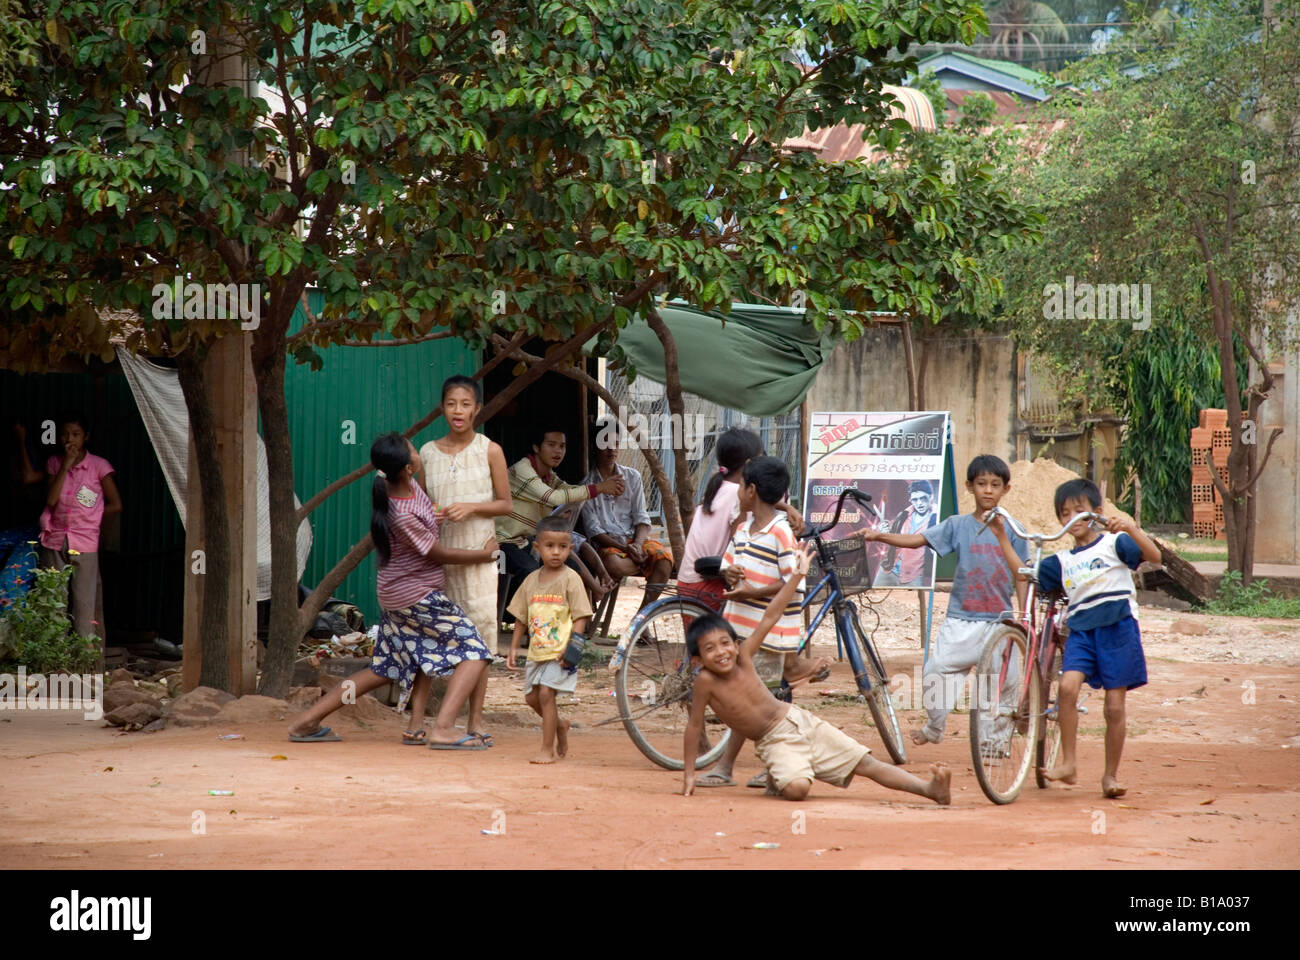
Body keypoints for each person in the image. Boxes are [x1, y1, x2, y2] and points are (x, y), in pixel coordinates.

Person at [683, 542, 950, 805]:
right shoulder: (705, 682)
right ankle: (790, 773)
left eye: (725, 643)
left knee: (866, 763)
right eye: (710, 649)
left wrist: (798, 574)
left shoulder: (744, 658)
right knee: (797, 790)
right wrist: (689, 775)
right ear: (697, 660)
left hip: (798, 720)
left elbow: (771, 615)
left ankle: (929, 789)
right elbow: (694, 726)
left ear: (736, 644)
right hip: (773, 739)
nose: (721, 652)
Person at [288, 433, 496, 748]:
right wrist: (486, 555)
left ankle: (307, 720)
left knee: (383, 670)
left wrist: (440, 514)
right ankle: (443, 728)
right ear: (409, 468)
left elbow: (424, 524)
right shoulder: (402, 510)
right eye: (412, 448)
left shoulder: (402, 488)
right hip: (414, 596)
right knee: (475, 651)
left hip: (397, 594)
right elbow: (436, 554)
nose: (417, 448)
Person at [992, 478, 1160, 798]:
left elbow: (1154, 557)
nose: (1072, 519)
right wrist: (1002, 536)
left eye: (1079, 511)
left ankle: (1110, 776)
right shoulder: (1062, 562)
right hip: (1081, 631)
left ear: (1097, 512)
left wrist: (1130, 528)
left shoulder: (1115, 544)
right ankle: (1069, 764)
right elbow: (1024, 573)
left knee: (1114, 706)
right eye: (1064, 514)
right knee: (1067, 688)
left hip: (1118, 628)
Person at [862, 455, 1028, 747]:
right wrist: (879, 537)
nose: (988, 490)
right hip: (960, 619)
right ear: (969, 486)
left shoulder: (1015, 529)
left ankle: (995, 745)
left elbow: (1022, 575)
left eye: (995, 485)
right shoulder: (957, 525)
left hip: (1001, 622)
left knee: (1003, 686)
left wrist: (1023, 616)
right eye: (981, 484)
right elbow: (919, 540)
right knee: (935, 672)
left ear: (1006, 489)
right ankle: (934, 727)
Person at [695, 456, 830, 789]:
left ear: (751, 490)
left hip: (769, 634)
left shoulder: (781, 534)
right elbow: (729, 564)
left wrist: (751, 592)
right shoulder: (744, 529)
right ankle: (761, 768)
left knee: (758, 703)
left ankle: (742, 767)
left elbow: (793, 582)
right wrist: (729, 573)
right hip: (742, 628)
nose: (738, 490)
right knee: (758, 700)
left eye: (741, 485)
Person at [419, 375, 513, 746]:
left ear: (476, 408)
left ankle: (475, 721)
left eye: (465, 404)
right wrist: (434, 514)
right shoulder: (426, 452)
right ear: (442, 408)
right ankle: (425, 720)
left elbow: (505, 504)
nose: (458, 411)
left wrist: (472, 507)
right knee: (439, 637)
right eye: (451, 404)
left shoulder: (490, 450)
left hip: (479, 556)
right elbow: (420, 504)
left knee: (481, 641)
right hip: (441, 559)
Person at [495, 425, 623, 604]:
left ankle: (562, 621)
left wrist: (597, 489)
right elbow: (552, 497)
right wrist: (599, 488)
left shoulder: (549, 475)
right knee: (531, 569)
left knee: (569, 567)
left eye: (562, 446)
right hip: (503, 541)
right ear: (536, 448)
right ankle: (528, 623)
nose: (558, 451)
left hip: (528, 541)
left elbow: (568, 490)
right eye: (551, 445)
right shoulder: (523, 469)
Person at [506, 515, 594, 764]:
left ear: (570, 548)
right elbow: (521, 617)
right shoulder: (530, 580)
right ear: (537, 547)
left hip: (560, 653)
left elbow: (580, 617)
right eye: (550, 546)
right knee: (531, 698)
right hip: (537, 652)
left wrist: (572, 647)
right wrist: (513, 647)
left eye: (563, 547)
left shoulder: (571, 579)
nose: (556, 553)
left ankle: (547, 750)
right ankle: (560, 726)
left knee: (546, 695)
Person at [36, 412, 121, 644]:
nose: (69, 440)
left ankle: (85, 660)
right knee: (54, 601)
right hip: (54, 538)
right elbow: (51, 501)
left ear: (86, 437)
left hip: (85, 541)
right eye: (64, 434)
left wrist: (93, 521)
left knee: (84, 603)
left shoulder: (98, 466)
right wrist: (65, 465)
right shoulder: (54, 463)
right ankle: (55, 657)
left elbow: (116, 505)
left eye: (75, 434)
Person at [581, 419, 673, 610]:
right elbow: (595, 531)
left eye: (615, 443)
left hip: (635, 542)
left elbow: (642, 519)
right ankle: (645, 563)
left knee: (665, 560)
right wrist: (624, 547)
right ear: (594, 447)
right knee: (615, 565)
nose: (611, 449)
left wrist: (638, 545)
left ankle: (641, 618)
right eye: (605, 443)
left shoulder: (633, 477)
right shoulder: (587, 486)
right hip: (609, 545)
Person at [676, 427, 765, 622]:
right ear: (749, 464)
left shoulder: (717, 487)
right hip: (708, 587)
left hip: (686, 583)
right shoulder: (739, 495)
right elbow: (738, 546)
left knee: (701, 650)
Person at [872, 480, 938, 587]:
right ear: (910, 500)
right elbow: (891, 534)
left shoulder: (936, 519)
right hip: (888, 569)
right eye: (915, 500)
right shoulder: (903, 515)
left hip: (913, 575)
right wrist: (884, 529)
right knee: (873, 594)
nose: (919, 503)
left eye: (923, 498)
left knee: (916, 601)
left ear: (930, 497)